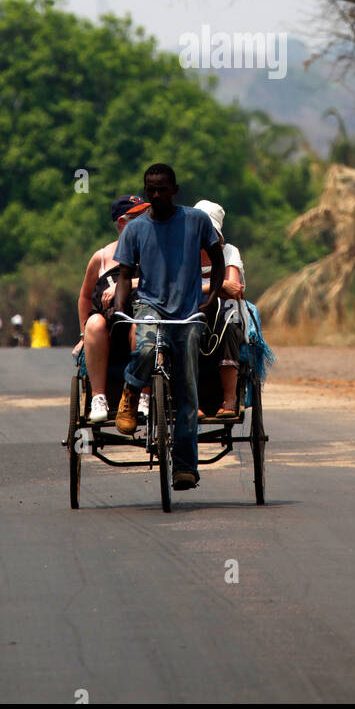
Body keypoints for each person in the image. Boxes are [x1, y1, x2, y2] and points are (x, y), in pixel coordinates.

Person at [113, 163, 225, 491]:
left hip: (187, 311)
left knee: (187, 389)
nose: (157, 195)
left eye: (163, 189)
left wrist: (211, 297)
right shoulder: (135, 229)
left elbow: (217, 262)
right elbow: (123, 274)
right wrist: (121, 307)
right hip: (149, 306)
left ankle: (185, 467)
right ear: (146, 191)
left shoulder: (196, 221)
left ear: (174, 190)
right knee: (145, 348)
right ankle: (132, 388)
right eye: (151, 190)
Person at [76, 195, 150, 423]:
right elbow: (85, 297)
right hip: (109, 325)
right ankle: (99, 397)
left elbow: (164, 281)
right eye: (139, 217)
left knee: (141, 323)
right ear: (123, 223)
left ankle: (144, 395)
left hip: (142, 319)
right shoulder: (102, 256)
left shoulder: (152, 251)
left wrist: (126, 284)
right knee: (94, 323)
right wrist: (82, 334)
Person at [193, 199, 247, 418]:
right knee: (182, 330)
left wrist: (199, 287)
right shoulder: (184, 252)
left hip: (222, 314)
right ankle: (190, 400)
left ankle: (230, 398)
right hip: (193, 312)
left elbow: (233, 289)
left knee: (229, 323)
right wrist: (218, 284)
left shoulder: (228, 252)